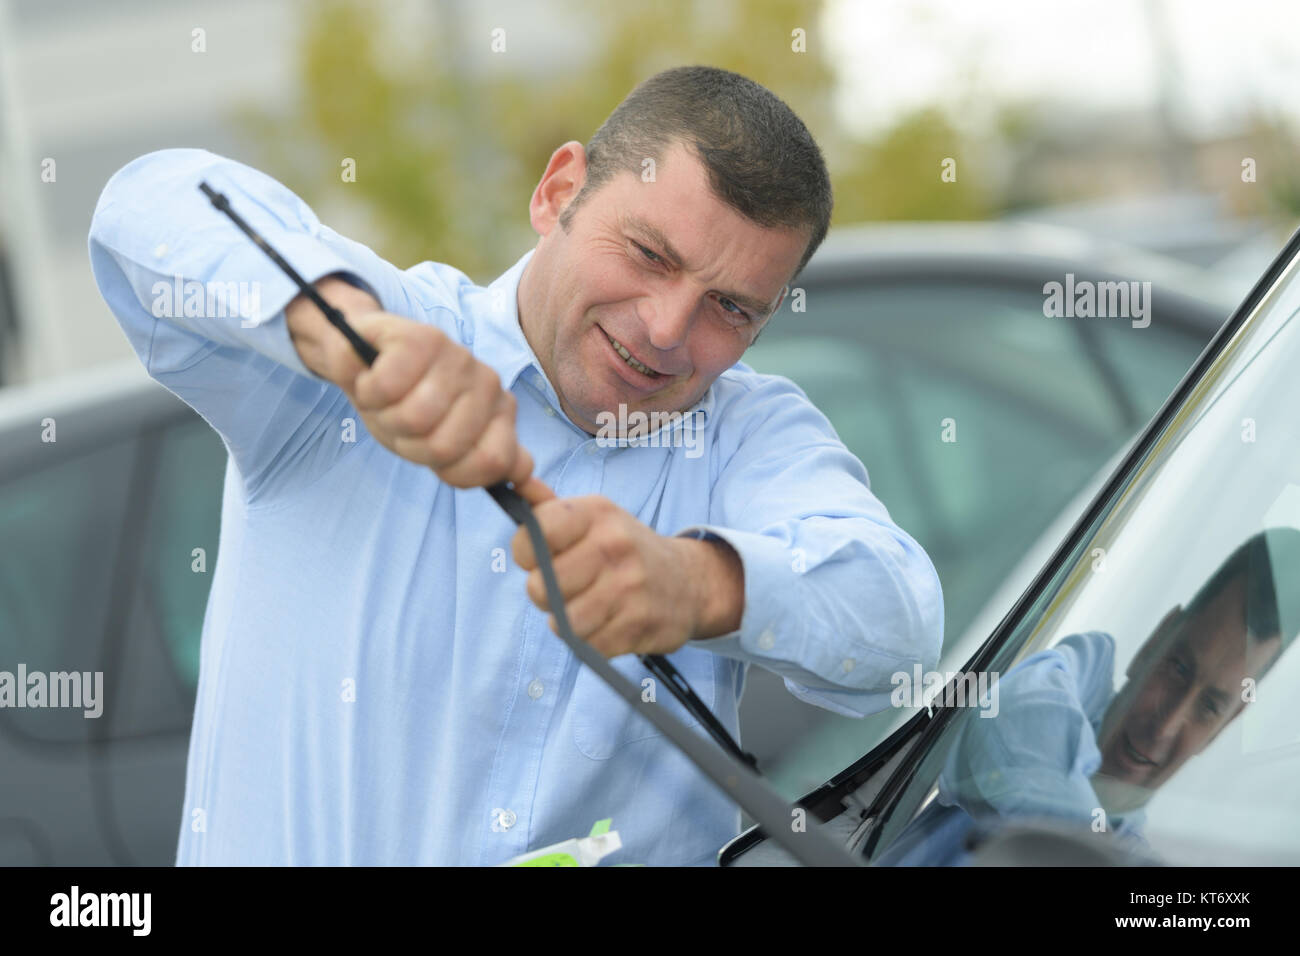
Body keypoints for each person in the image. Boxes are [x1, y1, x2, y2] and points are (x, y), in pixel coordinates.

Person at [88, 65, 943, 865]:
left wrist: (697, 585)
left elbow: (899, 621)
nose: (667, 330)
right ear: (558, 191)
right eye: (649, 254)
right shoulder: (373, 348)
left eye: (729, 307)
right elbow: (152, 203)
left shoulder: (749, 435)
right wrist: (344, 333)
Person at [876, 528, 1300, 866]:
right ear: (1154, 640)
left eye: (1209, 707)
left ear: (1227, 724)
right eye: (1179, 669)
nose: (1167, 724)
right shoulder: (1075, 677)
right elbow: (1018, 721)